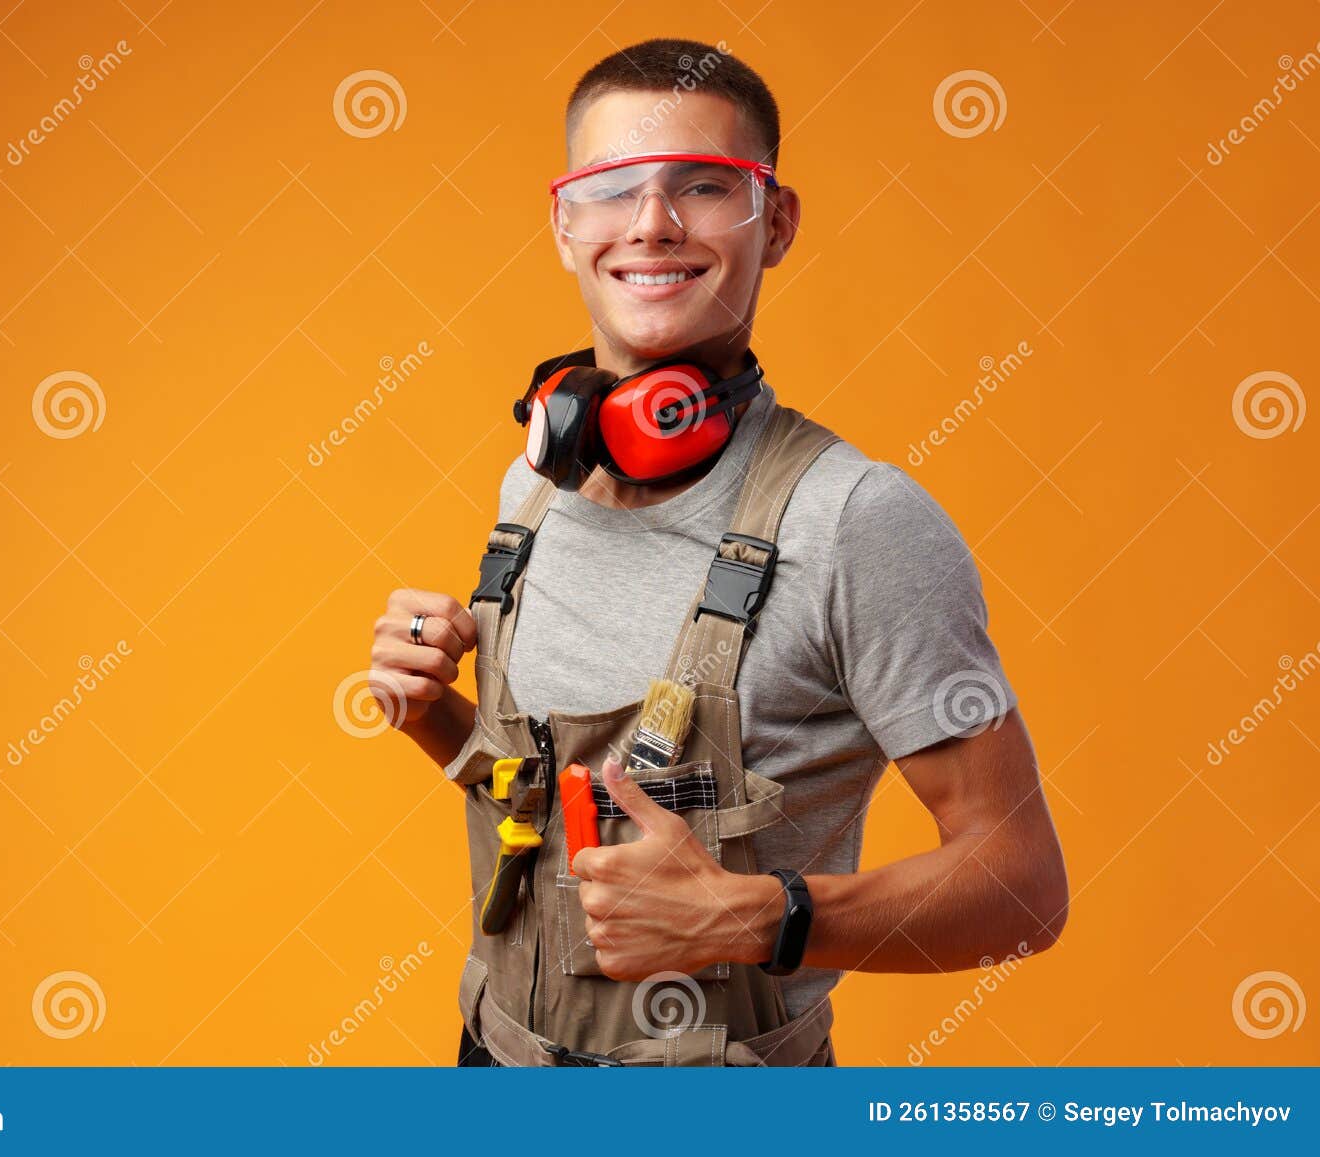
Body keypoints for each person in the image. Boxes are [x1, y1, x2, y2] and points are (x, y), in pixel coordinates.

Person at [368, 38, 1067, 1067]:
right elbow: (557, 802)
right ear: (565, 226)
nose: (650, 221)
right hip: (492, 1060)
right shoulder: (536, 487)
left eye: (703, 185)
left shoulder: (856, 522)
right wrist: (440, 719)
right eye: (611, 189)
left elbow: (1019, 890)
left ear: (773, 221)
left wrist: (756, 916)